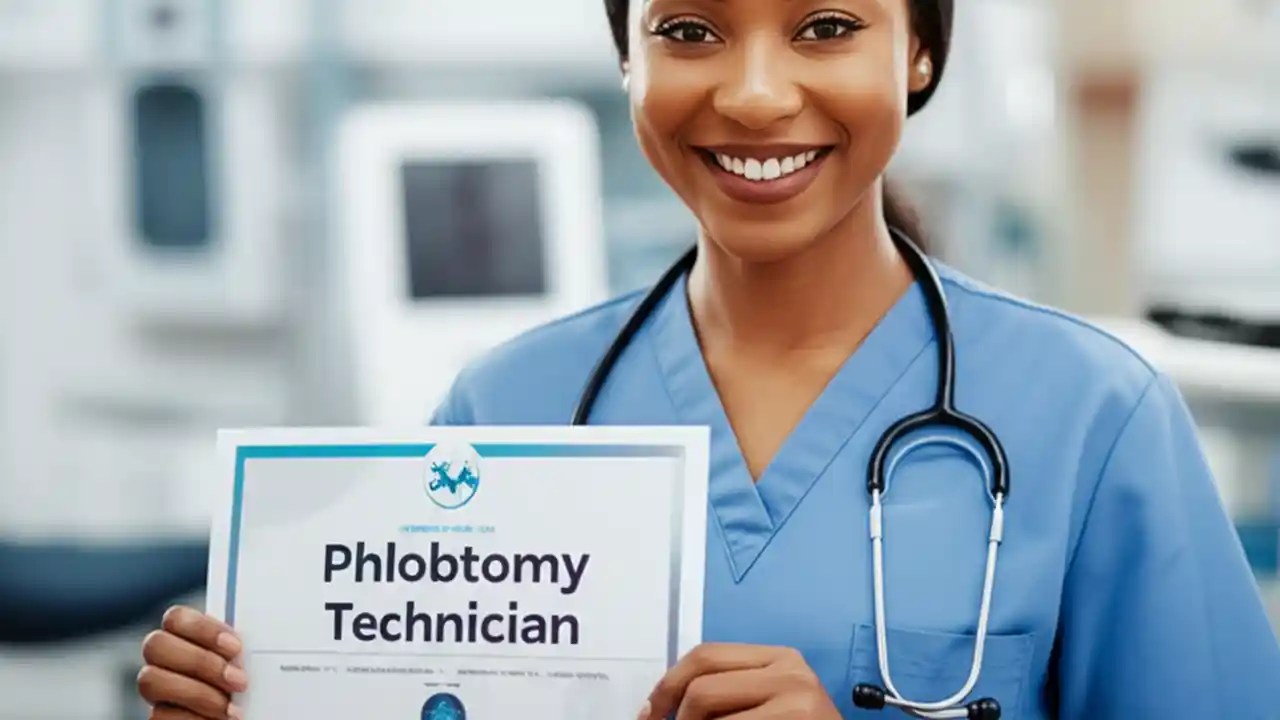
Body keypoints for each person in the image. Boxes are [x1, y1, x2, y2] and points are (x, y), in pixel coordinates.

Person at [135, 0, 1280, 717]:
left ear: (919, 54)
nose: (752, 92)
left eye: (824, 27)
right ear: (626, 61)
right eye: (687, 31)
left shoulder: (1088, 416)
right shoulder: (506, 407)